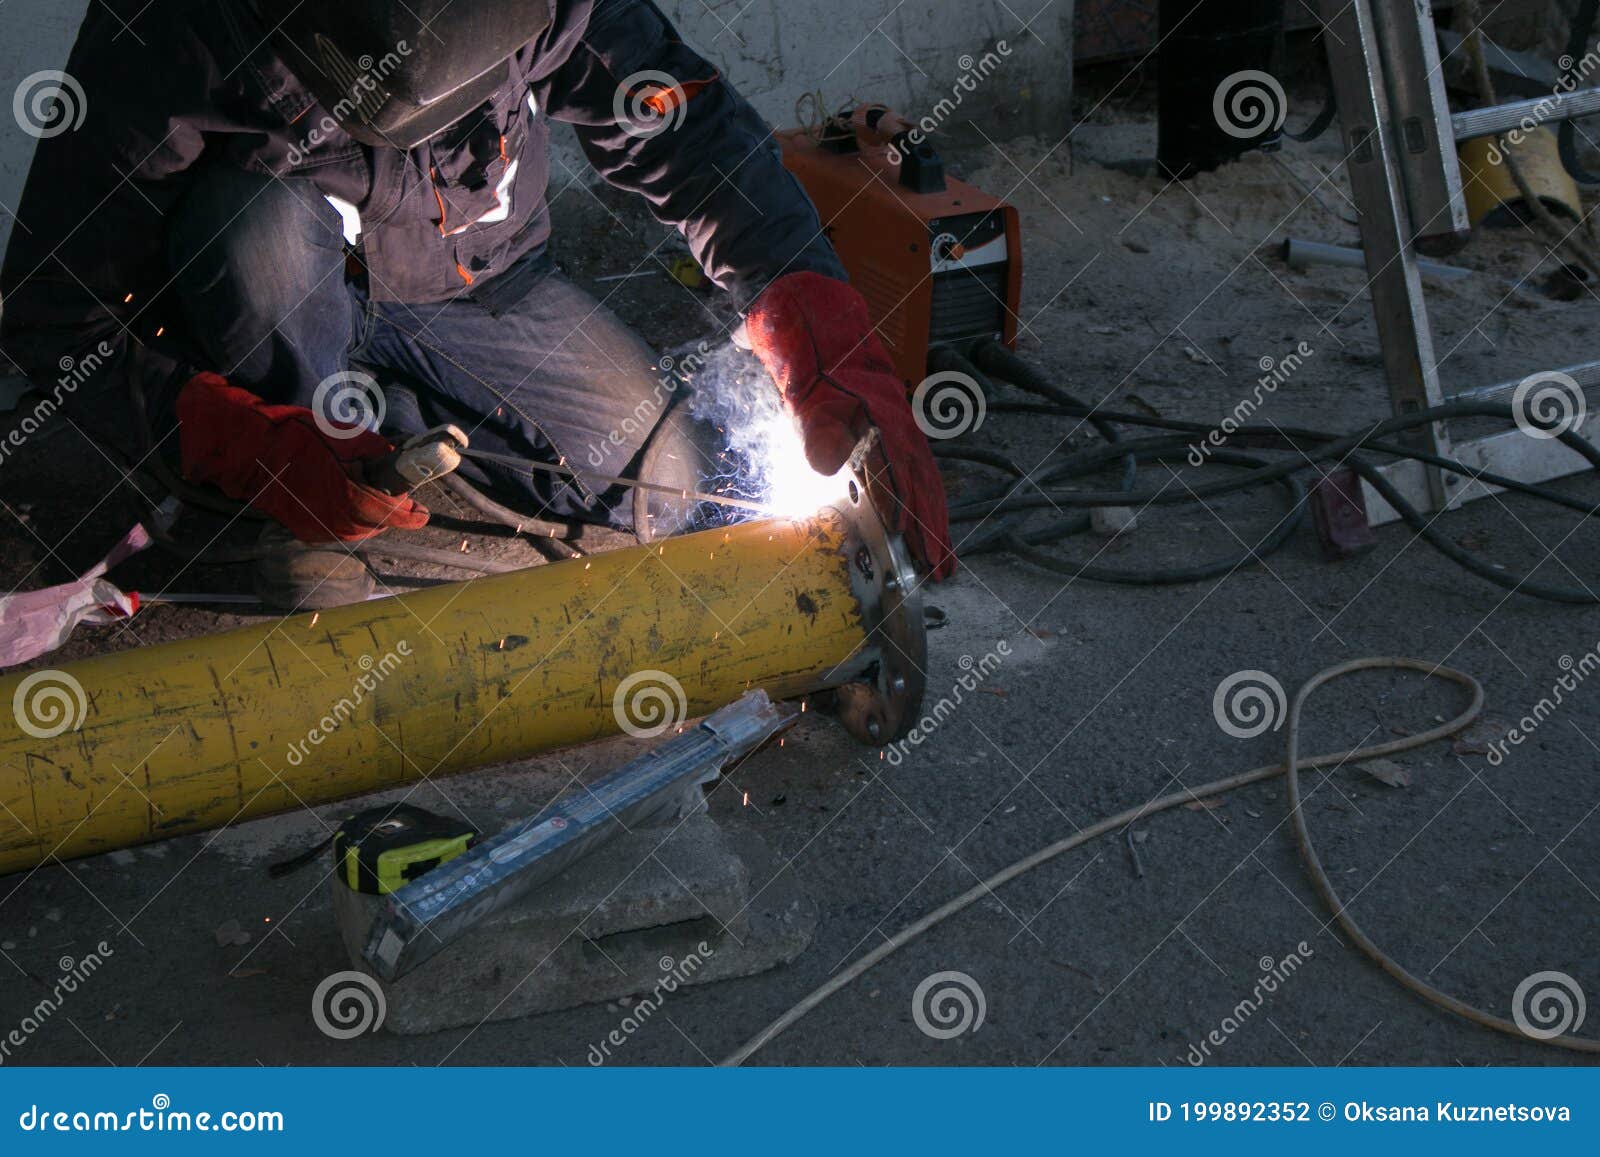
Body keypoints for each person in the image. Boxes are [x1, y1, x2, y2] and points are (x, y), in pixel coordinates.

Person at [0, 0, 953, 609]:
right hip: (290, 291)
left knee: (667, 487)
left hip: (481, 284)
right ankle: (288, 481)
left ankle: (384, 449)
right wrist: (234, 437)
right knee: (247, 228)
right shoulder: (171, 28)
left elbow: (688, 133)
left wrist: (814, 324)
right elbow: (51, 318)